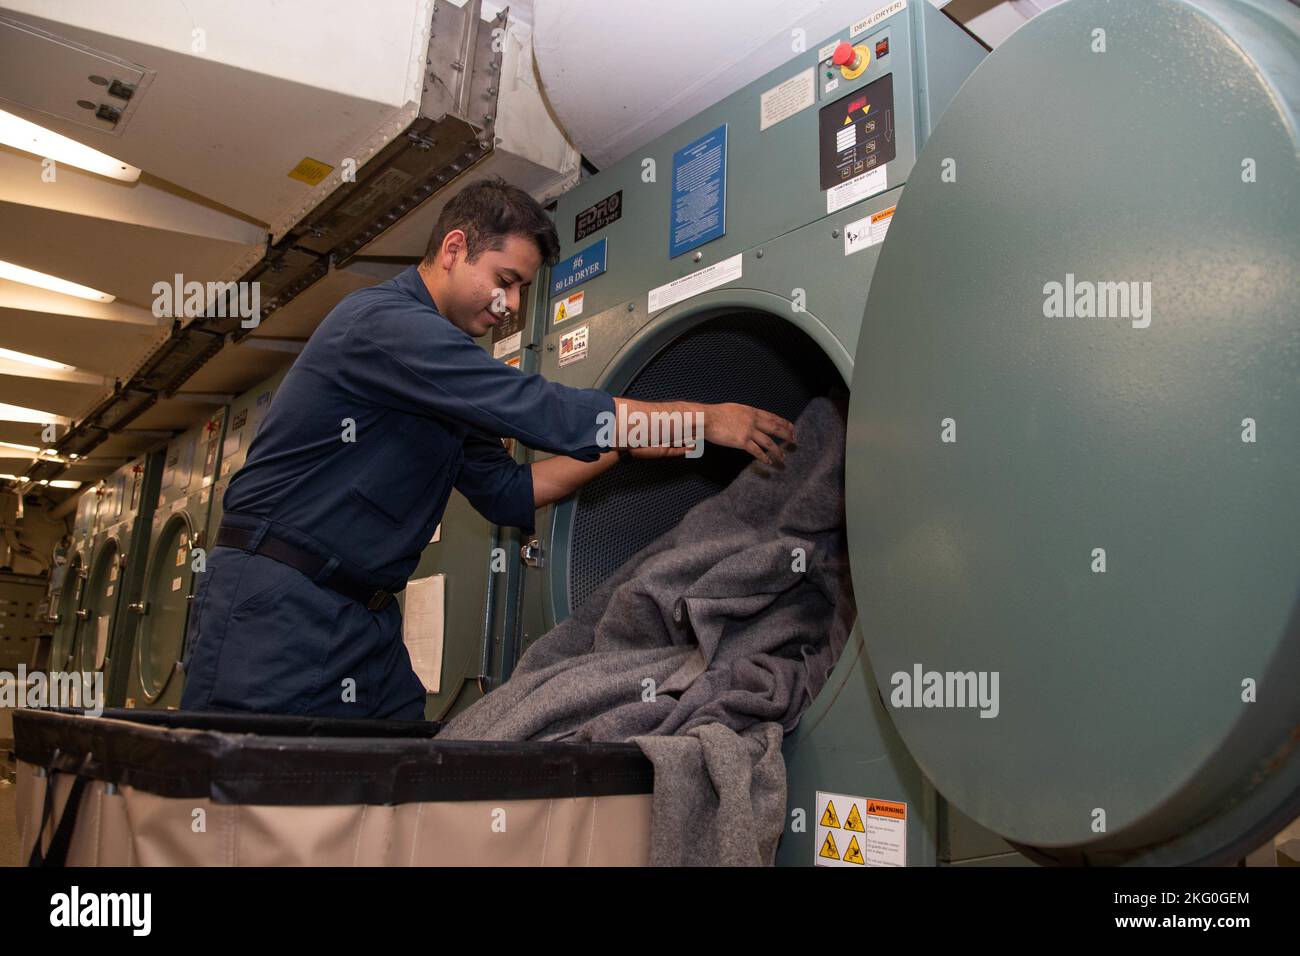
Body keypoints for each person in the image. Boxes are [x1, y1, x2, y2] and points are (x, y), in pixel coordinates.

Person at [179, 175, 795, 720]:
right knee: (252, 807)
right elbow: (538, 410)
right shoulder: (386, 326)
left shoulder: (438, 370)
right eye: (506, 281)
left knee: (398, 780)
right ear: (454, 249)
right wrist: (700, 422)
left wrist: (629, 448)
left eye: (524, 289)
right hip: (277, 605)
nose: (514, 307)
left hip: (361, 618)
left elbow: (509, 493)